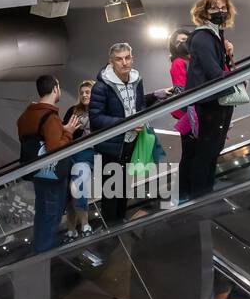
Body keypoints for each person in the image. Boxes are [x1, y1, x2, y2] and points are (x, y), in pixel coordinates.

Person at [89, 44, 171, 223]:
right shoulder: (101, 87)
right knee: (111, 191)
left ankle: (120, 223)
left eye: (127, 57)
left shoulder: (136, 79)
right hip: (111, 146)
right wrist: (126, 125)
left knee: (125, 187)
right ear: (111, 62)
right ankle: (111, 229)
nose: (124, 62)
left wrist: (150, 105)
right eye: (119, 59)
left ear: (132, 58)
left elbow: (138, 106)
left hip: (132, 142)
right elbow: (96, 119)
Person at [181, 0, 238, 200]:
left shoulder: (216, 35)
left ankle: (205, 195)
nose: (220, 12)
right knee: (206, 153)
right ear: (204, 11)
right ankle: (199, 198)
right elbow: (213, 72)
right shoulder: (203, 36)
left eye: (223, 8)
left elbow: (220, 68)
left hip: (217, 101)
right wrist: (237, 81)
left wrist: (228, 54)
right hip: (208, 103)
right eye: (215, 8)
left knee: (212, 151)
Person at [18, 75, 81, 251]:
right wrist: (68, 132)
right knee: (51, 216)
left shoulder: (26, 115)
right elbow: (55, 150)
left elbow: (38, 138)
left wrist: (61, 130)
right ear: (55, 89)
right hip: (51, 175)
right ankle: (43, 256)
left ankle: (39, 249)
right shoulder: (50, 116)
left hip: (37, 173)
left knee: (42, 214)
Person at [61, 81, 97, 239]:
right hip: (71, 154)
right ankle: (71, 228)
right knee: (70, 192)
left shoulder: (100, 111)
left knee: (77, 185)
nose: (84, 95)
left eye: (88, 92)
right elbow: (63, 131)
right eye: (82, 92)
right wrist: (70, 129)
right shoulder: (73, 111)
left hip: (89, 154)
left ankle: (85, 224)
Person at [167, 29, 199, 201]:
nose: (183, 43)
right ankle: (182, 195)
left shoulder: (194, 60)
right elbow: (182, 93)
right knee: (189, 156)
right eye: (178, 41)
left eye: (186, 39)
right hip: (190, 117)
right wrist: (194, 120)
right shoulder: (179, 62)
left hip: (196, 114)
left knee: (193, 156)